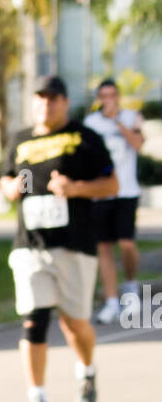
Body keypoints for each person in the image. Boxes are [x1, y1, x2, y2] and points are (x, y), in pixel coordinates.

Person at [0, 76, 118, 402]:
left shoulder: (84, 139)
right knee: (34, 320)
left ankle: (86, 368)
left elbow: (112, 183)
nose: (45, 105)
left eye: (52, 99)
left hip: (74, 244)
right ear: (33, 102)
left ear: (64, 102)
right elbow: (5, 179)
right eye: (40, 99)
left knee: (74, 323)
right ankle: (37, 399)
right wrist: (11, 187)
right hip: (30, 245)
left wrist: (76, 187)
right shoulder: (19, 140)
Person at [82, 79, 144, 324]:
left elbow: (138, 145)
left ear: (118, 96)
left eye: (111, 95)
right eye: (103, 96)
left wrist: (116, 121)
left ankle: (130, 286)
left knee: (127, 244)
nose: (107, 99)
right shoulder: (91, 123)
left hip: (126, 191)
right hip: (101, 193)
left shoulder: (131, 117)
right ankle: (110, 301)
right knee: (103, 247)